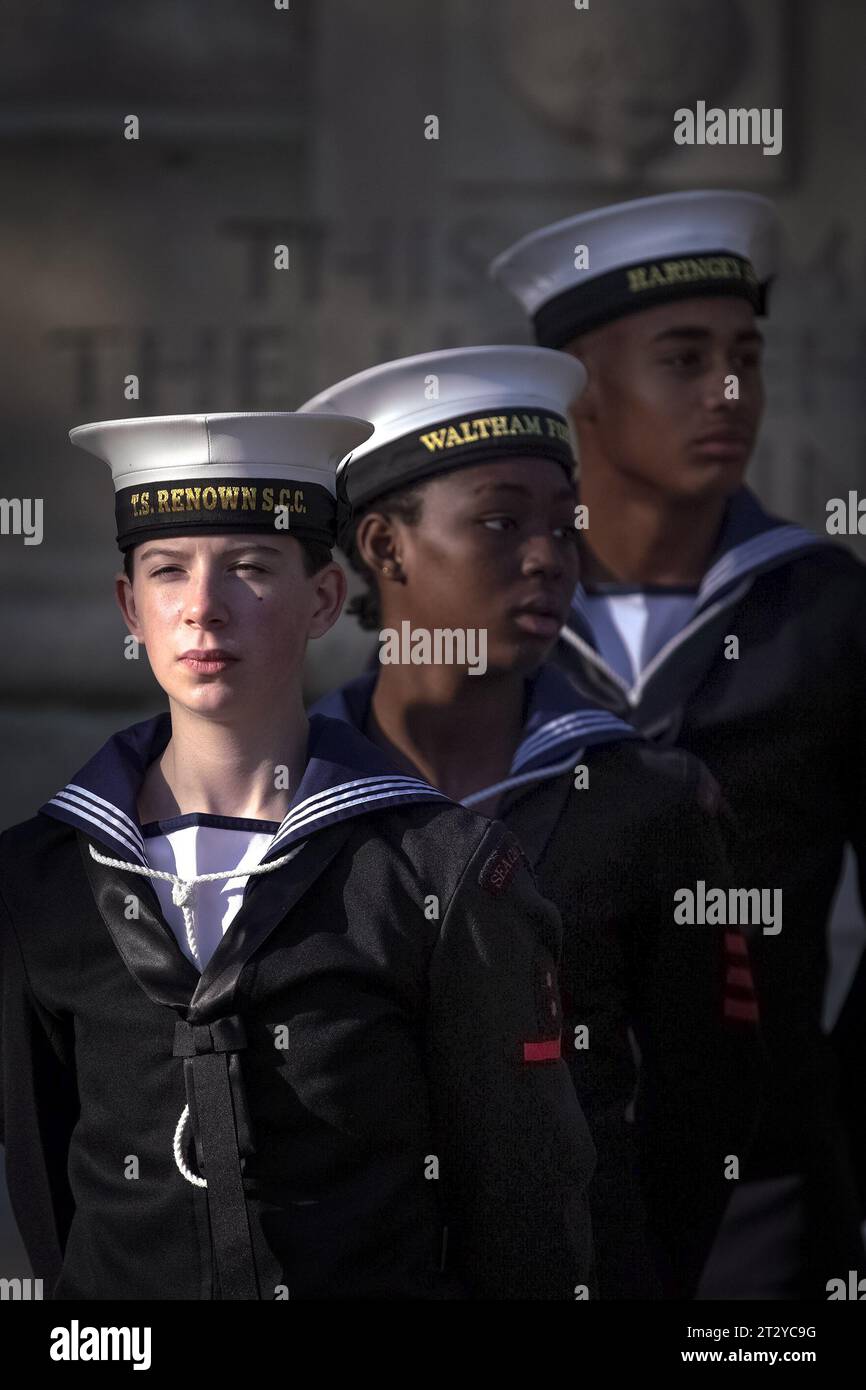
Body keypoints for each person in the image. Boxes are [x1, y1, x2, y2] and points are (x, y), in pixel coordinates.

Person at [0, 410, 596, 1301]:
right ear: (130, 606)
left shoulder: (435, 868)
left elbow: (520, 1195)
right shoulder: (40, 876)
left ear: (322, 599)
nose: (203, 607)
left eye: (249, 567)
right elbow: (47, 1186)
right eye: (168, 570)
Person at [300, 346, 763, 1299]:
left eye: (564, 525)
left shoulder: (648, 798)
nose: (551, 558)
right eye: (502, 522)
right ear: (384, 547)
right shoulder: (288, 799)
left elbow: (706, 1101)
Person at [490, 189, 866, 1297]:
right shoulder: (476, 627)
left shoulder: (826, 610)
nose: (728, 394)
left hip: (764, 1197)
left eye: (745, 357)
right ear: (582, 392)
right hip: (523, 1189)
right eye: (684, 359)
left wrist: (827, 1117)